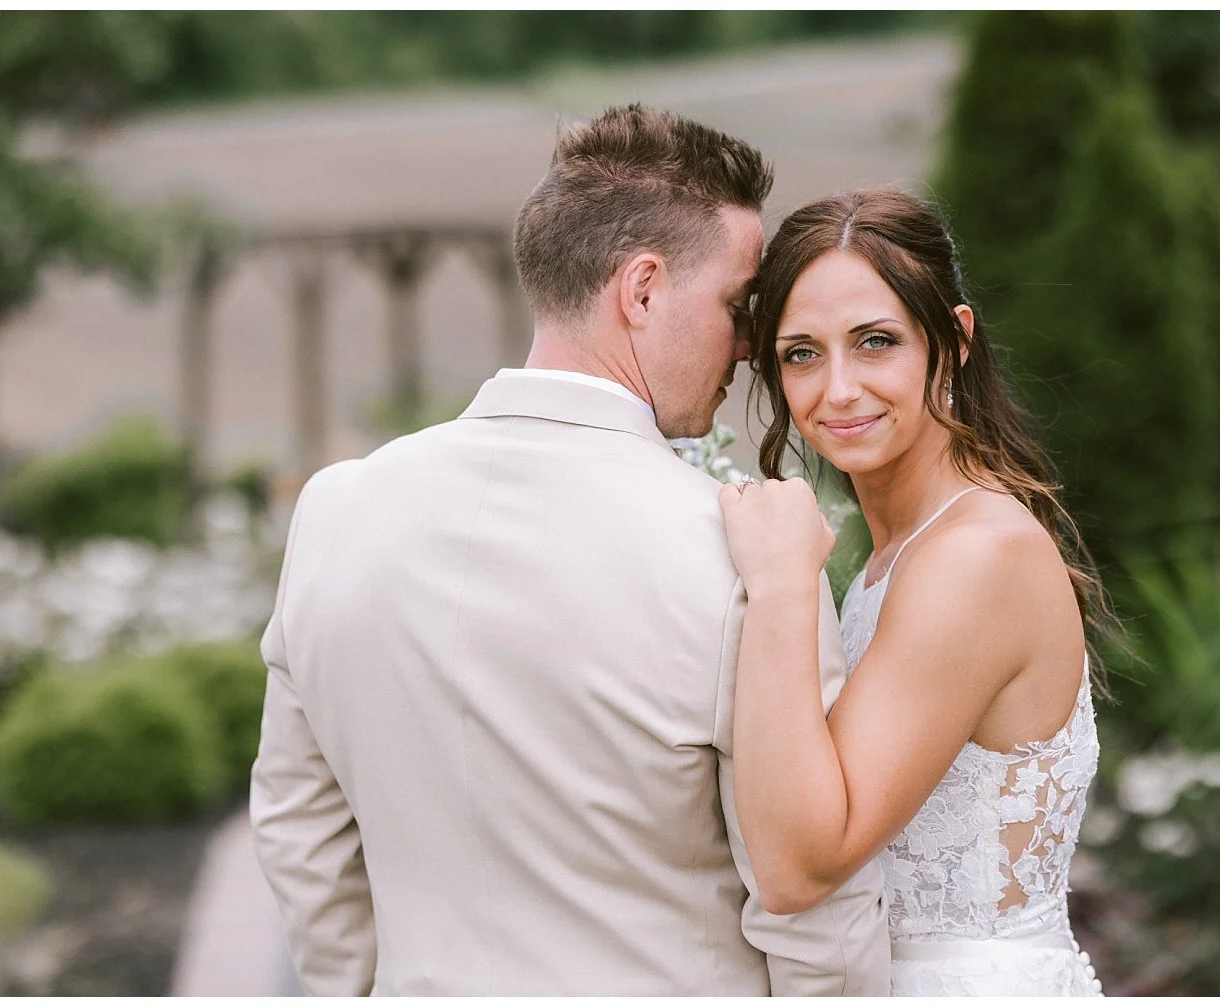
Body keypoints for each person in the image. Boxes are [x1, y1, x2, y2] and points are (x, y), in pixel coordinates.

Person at [249, 106, 890, 996]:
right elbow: (811, 906)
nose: (749, 347)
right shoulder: (746, 556)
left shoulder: (336, 512)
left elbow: (300, 831)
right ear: (642, 290)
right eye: (737, 306)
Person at [719, 188, 1112, 996]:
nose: (838, 390)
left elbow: (797, 869)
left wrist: (783, 583)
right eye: (801, 353)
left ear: (954, 340)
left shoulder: (975, 557)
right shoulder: (897, 555)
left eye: (875, 342)